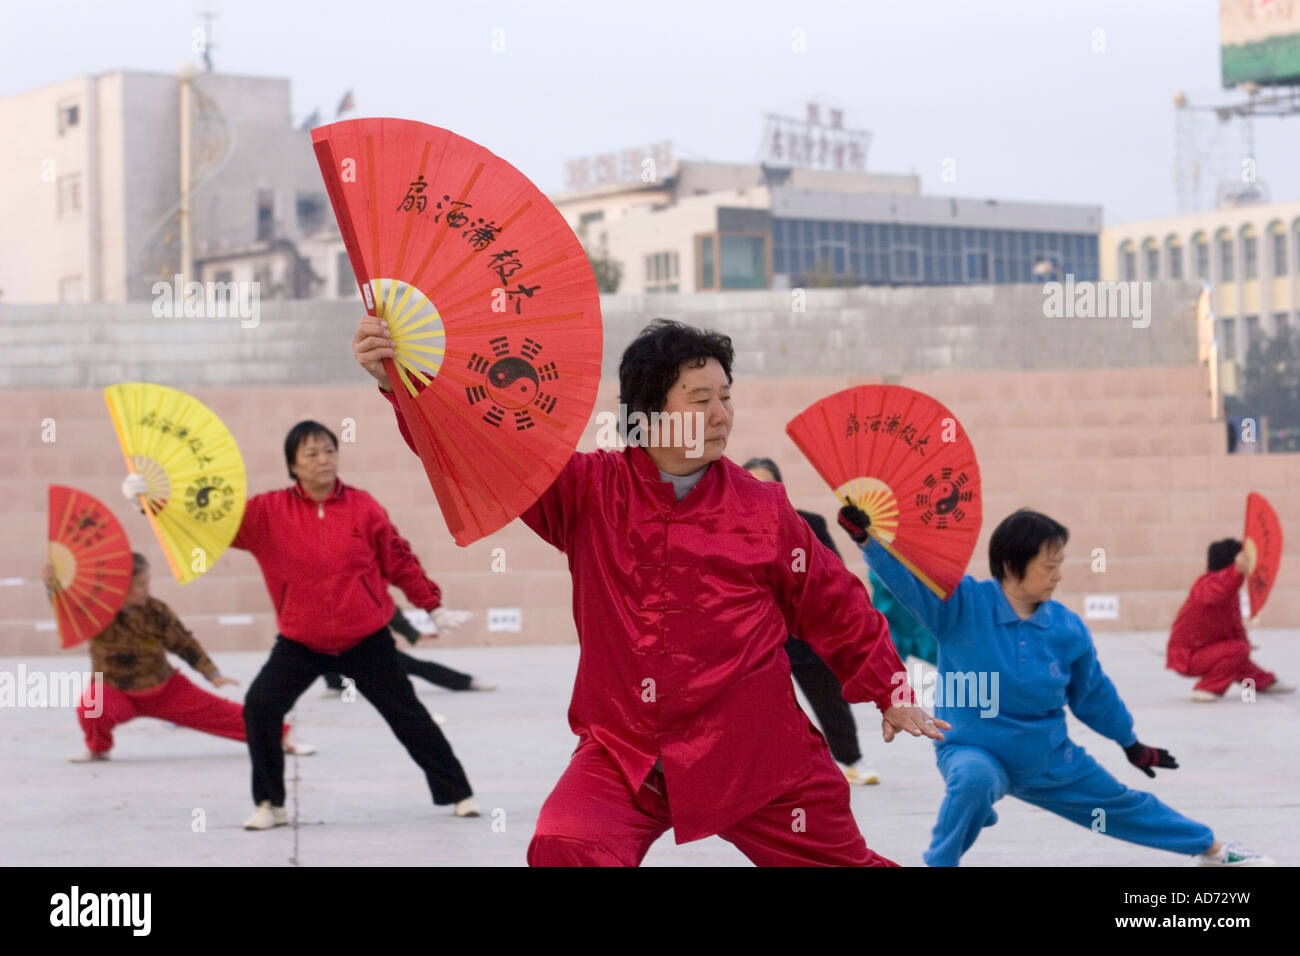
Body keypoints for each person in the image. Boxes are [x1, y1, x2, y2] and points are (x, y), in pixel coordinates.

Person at [355, 314, 947, 867]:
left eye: (726, 398)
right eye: (700, 400)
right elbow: (487, 453)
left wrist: (889, 688)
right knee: (567, 844)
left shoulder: (764, 511)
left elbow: (834, 602)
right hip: (626, 751)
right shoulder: (587, 492)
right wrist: (405, 387)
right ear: (648, 413)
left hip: (759, 755)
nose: (721, 415)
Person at [837, 504, 1274, 866]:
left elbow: (1093, 695)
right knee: (973, 781)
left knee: (1121, 806)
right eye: (1049, 565)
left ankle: (1213, 850)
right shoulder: (961, 605)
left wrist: (1131, 743)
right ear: (1012, 565)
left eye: (1059, 564)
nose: (1058, 574)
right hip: (972, 746)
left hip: (1047, 758)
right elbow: (908, 584)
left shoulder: (1067, 629)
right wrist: (867, 541)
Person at [123, 420, 479, 830]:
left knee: (409, 715)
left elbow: (399, 559)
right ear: (293, 465)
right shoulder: (267, 512)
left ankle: (458, 793)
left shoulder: (364, 508)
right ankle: (270, 804)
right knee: (260, 706)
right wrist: (153, 503)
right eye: (311, 453)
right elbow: (210, 519)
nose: (323, 459)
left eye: (329, 450)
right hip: (301, 643)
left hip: (365, 638)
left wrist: (432, 606)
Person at [42, 552, 311, 763]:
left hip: (165, 689)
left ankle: (281, 737)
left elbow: (183, 642)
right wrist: (50, 584)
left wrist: (211, 673)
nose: (145, 590)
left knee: (226, 713)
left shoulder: (157, 611)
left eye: (146, 583)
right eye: (139, 585)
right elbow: (65, 607)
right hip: (115, 691)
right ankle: (98, 750)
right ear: (118, 587)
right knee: (91, 705)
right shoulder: (96, 612)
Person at [741, 457, 879, 786]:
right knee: (754, 709)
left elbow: (833, 574)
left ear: (780, 489)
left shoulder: (809, 523)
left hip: (804, 636)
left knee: (830, 701)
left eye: (766, 484)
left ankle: (851, 761)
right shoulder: (731, 530)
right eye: (752, 485)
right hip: (755, 638)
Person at [1167, 538, 1293, 702]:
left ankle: (1263, 682)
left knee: (1238, 654)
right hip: (1189, 657)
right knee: (1237, 650)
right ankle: (1206, 688)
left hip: (1208, 651)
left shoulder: (1230, 595)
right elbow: (1218, 587)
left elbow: (1235, 627)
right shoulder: (1206, 586)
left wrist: (1244, 645)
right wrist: (1236, 571)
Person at [321, 607, 496, 695]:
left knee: (413, 666)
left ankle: (467, 682)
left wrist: (413, 635)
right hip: (328, 643)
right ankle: (334, 684)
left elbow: (389, 611)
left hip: (366, 646)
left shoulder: (363, 586)